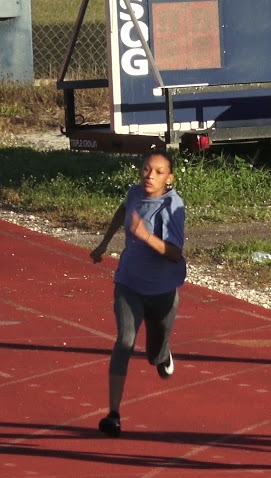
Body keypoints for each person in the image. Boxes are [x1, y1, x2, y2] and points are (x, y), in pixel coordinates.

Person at [90, 148, 187, 437]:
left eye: (158, 172)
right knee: (125, 341)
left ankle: (162, 355)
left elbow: (174, 253)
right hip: (129, 282)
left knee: (153, 354)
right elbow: (123, 210)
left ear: (169, 178)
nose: (150, 175)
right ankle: (114, 414)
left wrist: (145, 236)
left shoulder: (172, 206)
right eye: (146, 168)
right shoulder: (134, 193)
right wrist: (105, 242)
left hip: (162, 291)